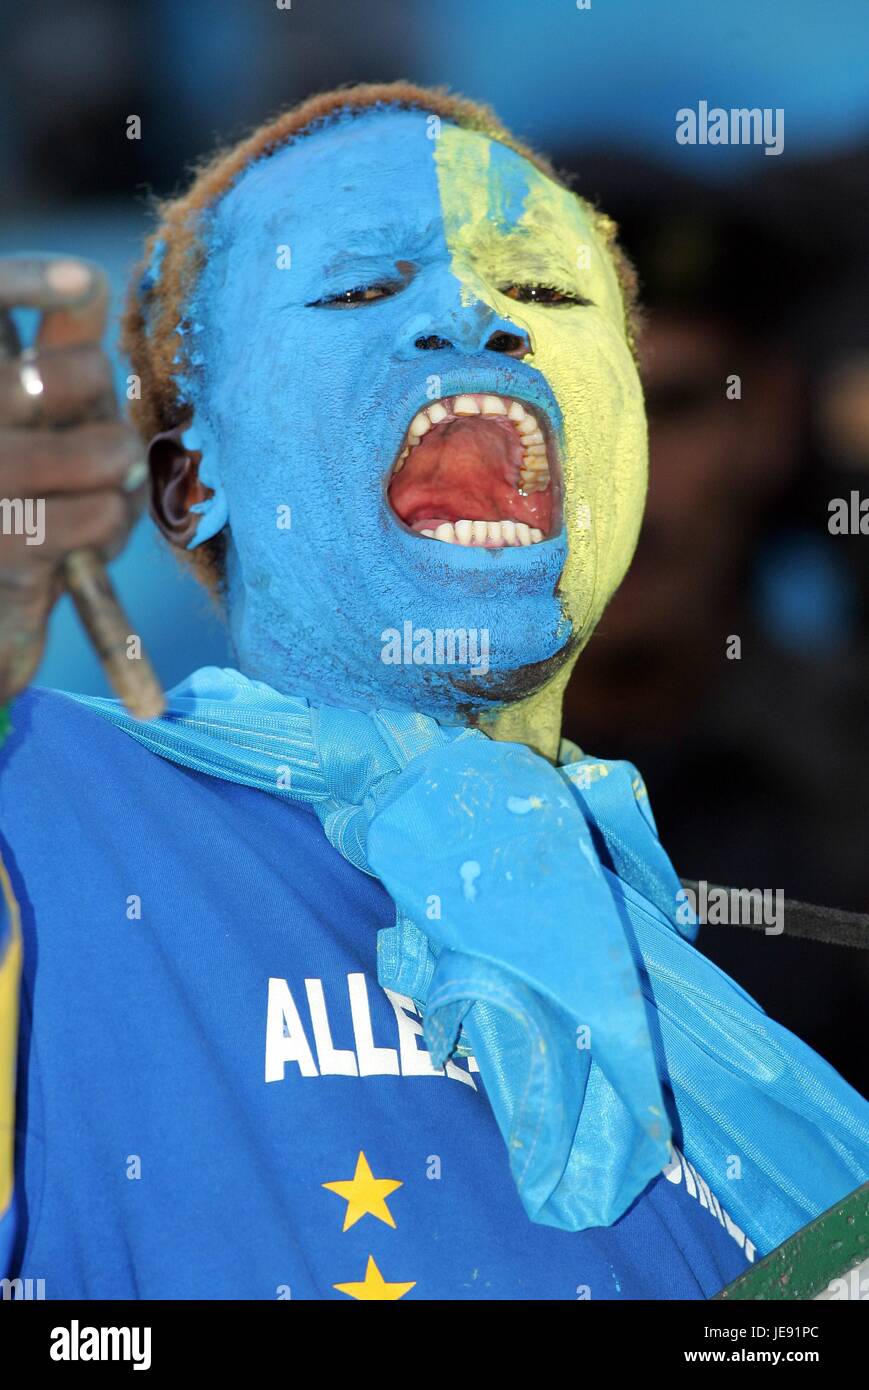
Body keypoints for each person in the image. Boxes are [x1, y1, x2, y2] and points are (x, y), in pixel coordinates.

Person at [0, 83, 866, 1302]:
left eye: (549, 296)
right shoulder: (47, 820)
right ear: (190, 482)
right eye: (358, 289)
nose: (472, 312)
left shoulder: (782, 1100)